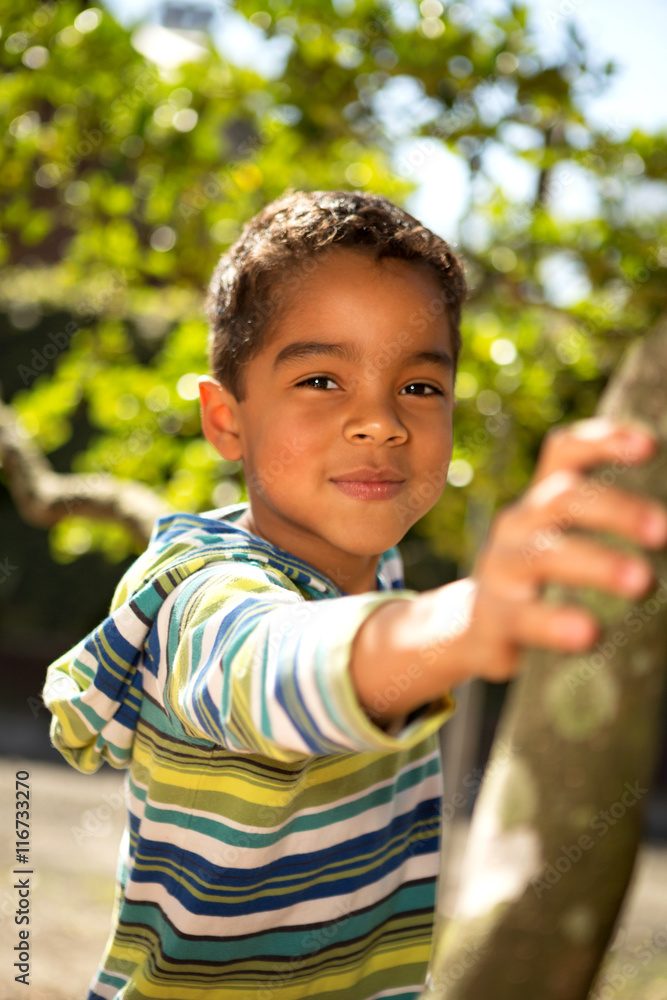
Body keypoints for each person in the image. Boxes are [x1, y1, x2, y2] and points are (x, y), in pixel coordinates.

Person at [43, 189, 667, 1000]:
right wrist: (467, 616)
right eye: (320, 378)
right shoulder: (199, 599)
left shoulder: (380, 579)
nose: (379, 421)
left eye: (417, 387)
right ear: (226, 420)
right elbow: (276, 661)